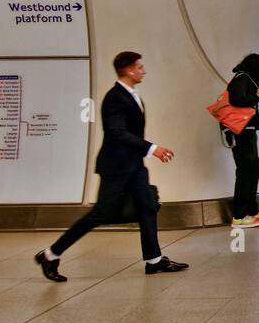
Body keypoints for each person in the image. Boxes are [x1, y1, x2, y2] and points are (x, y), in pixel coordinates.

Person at [35, 51, 188, 281]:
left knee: (147, 206)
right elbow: (117, 133)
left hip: (134, 165)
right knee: (100, 214)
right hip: (116, 166)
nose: (143, 70)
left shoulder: (132, 95)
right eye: (140, 67)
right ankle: (51, 254)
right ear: (128, 70)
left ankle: (154, 260)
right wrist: (152, 148)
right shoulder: (114, 98)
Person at [226, 53, 259, 229]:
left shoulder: (246, 79)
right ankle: (238, 216)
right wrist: (257, 97)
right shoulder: (242, 78)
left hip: (247, 131)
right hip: (241, 132)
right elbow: (236, 100)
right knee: (245, 171)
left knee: (254, 168)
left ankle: (252, 211)